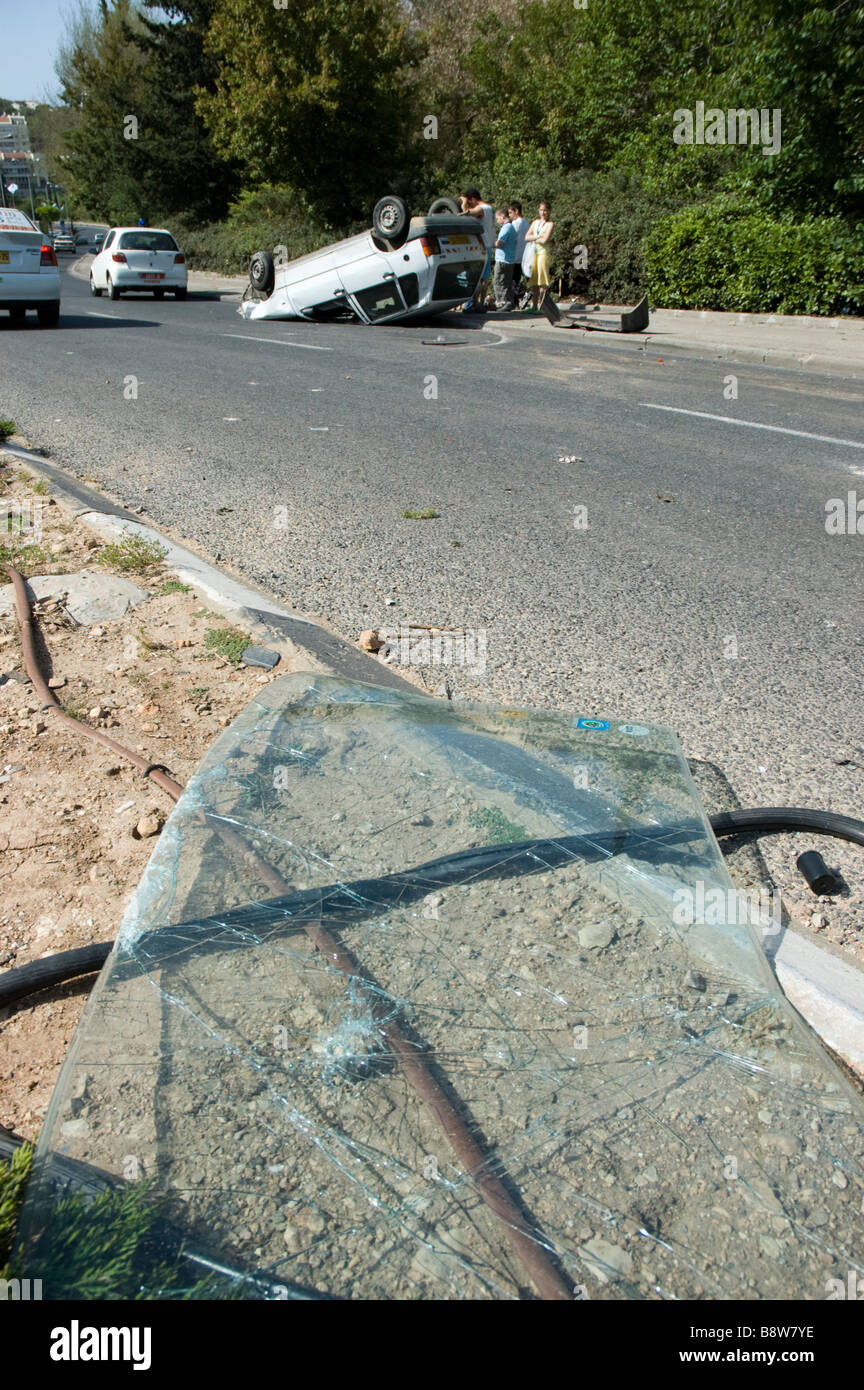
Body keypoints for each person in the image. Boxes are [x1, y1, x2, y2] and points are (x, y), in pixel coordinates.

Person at [459, 187, 495, 312]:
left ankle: (470, 305)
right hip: (489, 245)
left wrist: (464, 205)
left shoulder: (481, 209)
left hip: (481, 246)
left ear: (473, 199)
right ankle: (480, 304)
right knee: (484, 278)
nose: (470, 205)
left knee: (474, 275)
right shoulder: (490, 208)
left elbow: (466, 215)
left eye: (470, 202)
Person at [524, 201, 554, 310]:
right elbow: (526, 237)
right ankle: (534, 306)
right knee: (534, 282)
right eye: (541, 210)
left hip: (543, 254)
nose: (543, 212)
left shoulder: (550, 224)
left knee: (542, 282)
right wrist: (538, 237)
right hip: (533, 253)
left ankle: (542, 306)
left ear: (549, 211)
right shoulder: (535, 222)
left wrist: (534, 237)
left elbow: (545, 240)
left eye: (545, 210)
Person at [492, 207, 517, 310]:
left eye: (498, 219)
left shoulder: (506, 227)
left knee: (498, 281)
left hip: (503, 260)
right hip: (509, 260)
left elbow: (500, 243)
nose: (497, 221)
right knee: (506, 282)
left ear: (503, 216)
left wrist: (490, 244)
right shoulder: (511, 227)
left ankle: (503, 302)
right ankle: (508, 302)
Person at [507, 201, 529, 306]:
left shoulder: (515, 224)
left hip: (514, 256)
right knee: (517, 279)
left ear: (516, 211)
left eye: (511, 213)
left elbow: (511, 239)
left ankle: (515, 299)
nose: (510, 216)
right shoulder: (526, 223)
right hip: (523, 257)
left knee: (511, 281)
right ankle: (516, 300)